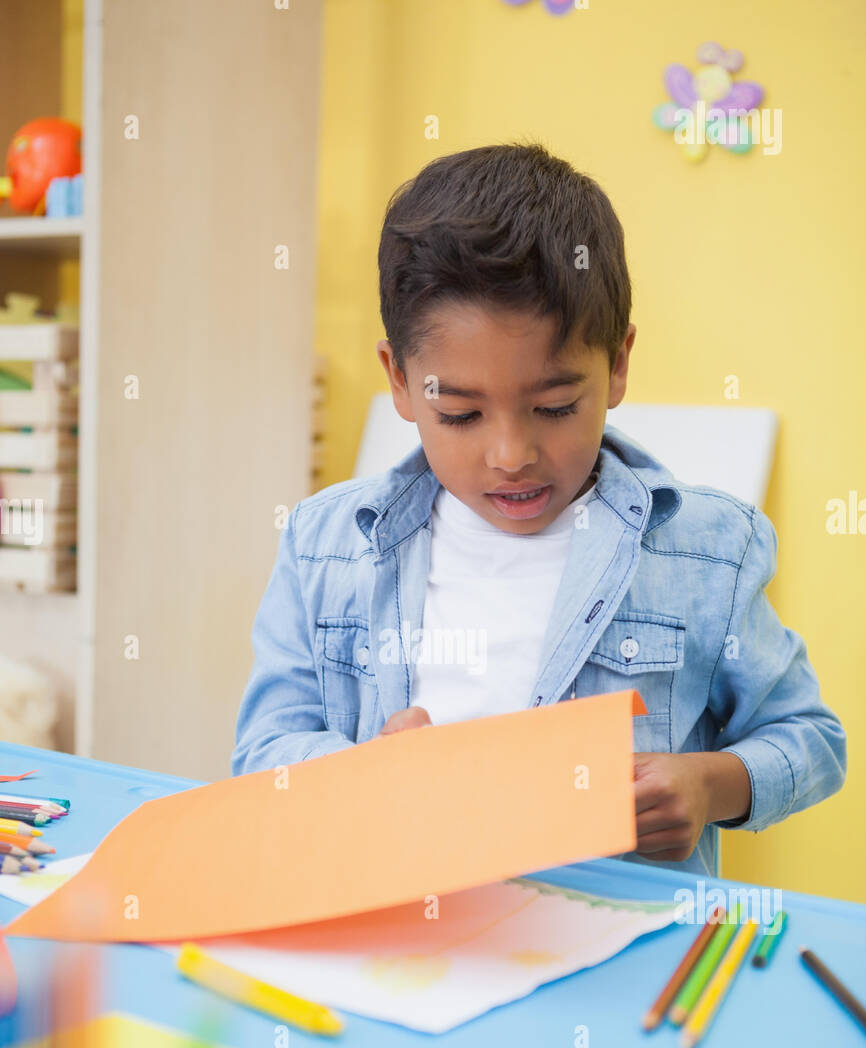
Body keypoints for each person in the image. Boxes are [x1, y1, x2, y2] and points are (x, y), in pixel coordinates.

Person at [232, 142, 846, 877]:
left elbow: (809, 738)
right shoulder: (322, 546)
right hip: (398, 943)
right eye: (460, 413)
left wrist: (710, 786)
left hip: (617, 956)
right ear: (399, 381)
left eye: (554, 407)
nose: (510, 454)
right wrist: (358, 777)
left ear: (617, 364)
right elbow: (265, 753)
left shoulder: (708, 553)